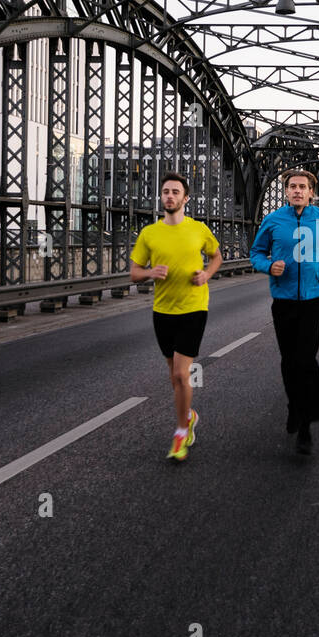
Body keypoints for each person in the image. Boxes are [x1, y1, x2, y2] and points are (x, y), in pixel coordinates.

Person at [249, 169, 319, 454]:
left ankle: (305, 424)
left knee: (306, 360)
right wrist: (269, 265)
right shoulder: (273, 220)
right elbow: (255, 252)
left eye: (302, 187)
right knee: (288, 361)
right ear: (286, 191)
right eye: (292, 186)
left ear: (310, 192)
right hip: (283, 302)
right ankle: (294, 407)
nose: (297, 191)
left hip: (313, 300)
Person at [129, 172, 222, 461]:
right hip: (163, 311)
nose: (169, 196)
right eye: (165, 191)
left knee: (182, 373)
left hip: (194, 308)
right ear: (161, 196)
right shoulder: (149, 234)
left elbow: (217, 256)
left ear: (185, 198)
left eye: (175, 192)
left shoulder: (198, 229)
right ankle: (190, 414)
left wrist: (206, 274)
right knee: (174, 376)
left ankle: (182, 431)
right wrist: (149, 273)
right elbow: (134, 273)